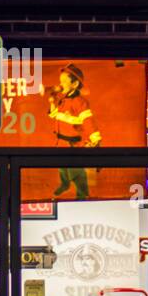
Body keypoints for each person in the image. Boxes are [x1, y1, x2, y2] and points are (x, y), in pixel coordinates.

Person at [47, 64, 101, 199]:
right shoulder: (62, 100)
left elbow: (87, 120)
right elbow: (54, 114)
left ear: (75, 84)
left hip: (73, 144)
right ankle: (65, 184)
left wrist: (95, 138)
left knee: (76, 171)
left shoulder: (79, 102)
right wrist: (52, 100)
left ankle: (83, 194)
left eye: (64, 81)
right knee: (62, 168)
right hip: (61, 141)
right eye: (61, 81)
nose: (61, 84)